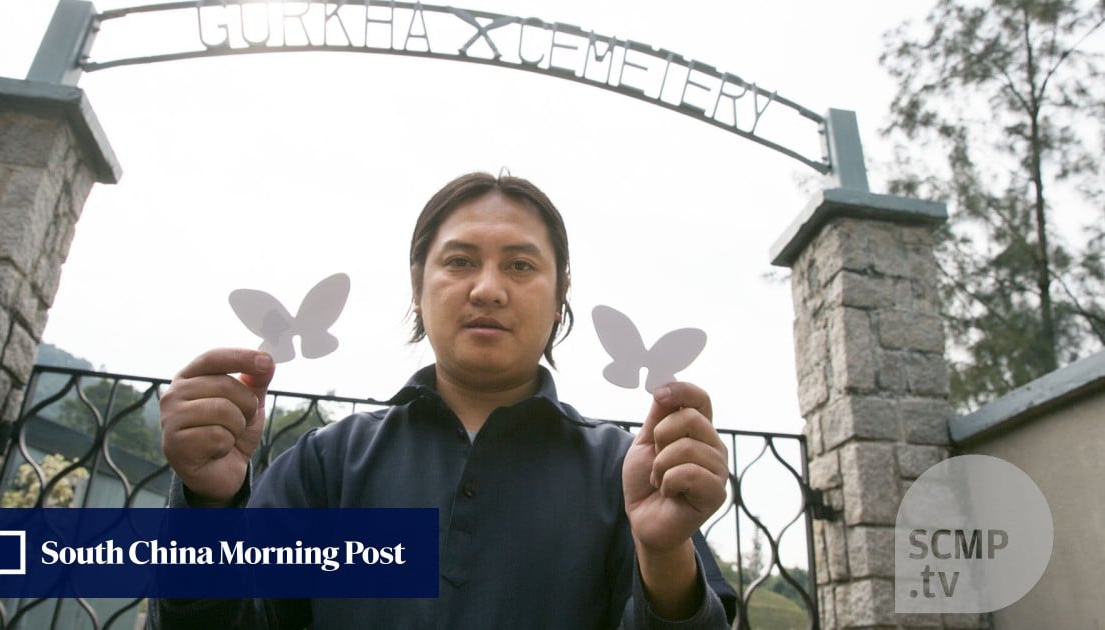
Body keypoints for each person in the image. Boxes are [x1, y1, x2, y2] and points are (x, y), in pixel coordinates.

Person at [150, 172, 736, 628]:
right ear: (417, 288)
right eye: (459, 261)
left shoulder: (628, 473)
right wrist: (207, 507)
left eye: (520, 265)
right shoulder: (329, 464)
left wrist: (663, 555)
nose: (487, 288)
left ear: (560, 298)